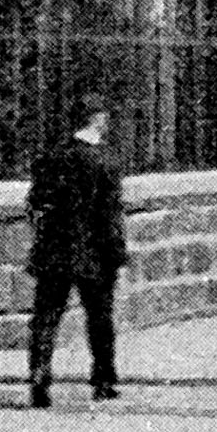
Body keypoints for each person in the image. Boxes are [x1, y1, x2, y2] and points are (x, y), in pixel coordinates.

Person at [25, 97, 128, 407]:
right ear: (97, 118)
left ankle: (39, 374)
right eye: (104, 115)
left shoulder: (54, 156)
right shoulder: (106, 161)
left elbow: (34, 203)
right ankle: (103, 379)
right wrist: (118, 254)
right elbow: (111, 214)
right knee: (99, 315)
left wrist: (42, 240)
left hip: (55, 250)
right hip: (94, 252)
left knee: (46, 315)